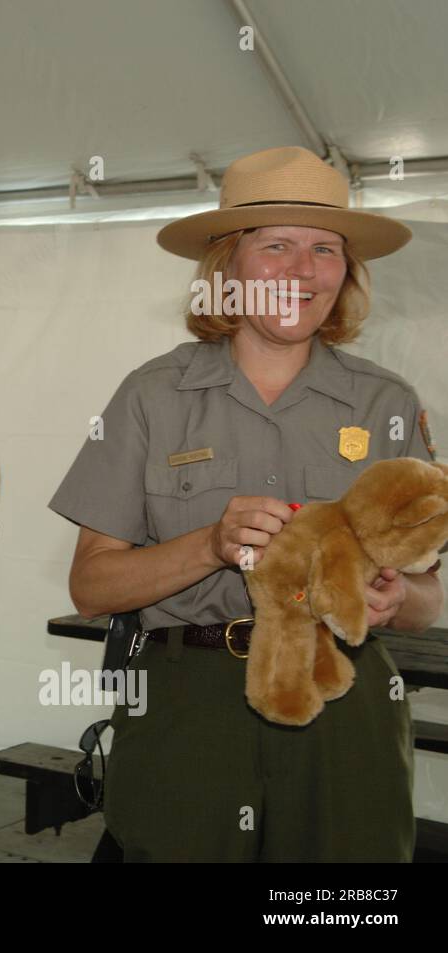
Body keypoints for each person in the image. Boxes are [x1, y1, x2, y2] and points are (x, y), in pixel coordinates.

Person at [49, 146, 444, 862]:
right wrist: (208, 544)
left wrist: (394, 595)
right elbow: (90, 585)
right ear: (227, 266)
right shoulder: (152, 395)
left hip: (343, 698)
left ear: (346, 270)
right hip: (187, 703)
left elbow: (426, 597)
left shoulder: (388, 403)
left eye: (325, 249)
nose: (302, 270)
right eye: (278, 246)